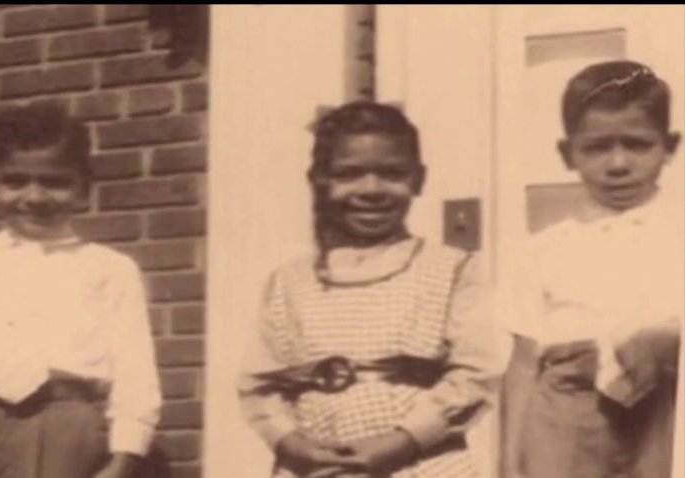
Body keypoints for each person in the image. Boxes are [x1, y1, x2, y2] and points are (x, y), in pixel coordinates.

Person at [238, 101, 502, 478]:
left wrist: (403, 441)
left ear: (419, 179)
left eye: (392, 174)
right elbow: (261, 384)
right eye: (349, 174)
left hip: (421, 462)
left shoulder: (451, 270)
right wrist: (291, 444)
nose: (371, 189)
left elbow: (476, 374)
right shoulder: (290, 282)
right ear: (319, 181)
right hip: (319, 466)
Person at [0, 103, 161, 478]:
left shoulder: (110, 269)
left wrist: (123, 459)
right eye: (15, 181)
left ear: (84, 187)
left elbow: (135, 374)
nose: (35, 197)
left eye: (55, 182)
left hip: (65, 426)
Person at [500, 60, 683, 478]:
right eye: (597, 148)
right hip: (566, 417)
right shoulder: (543, 250)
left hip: (665, 413)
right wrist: (510, 462)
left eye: (637, 145)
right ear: (568, 154)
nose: (618, 164)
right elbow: (523, 365)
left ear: (670, 146)